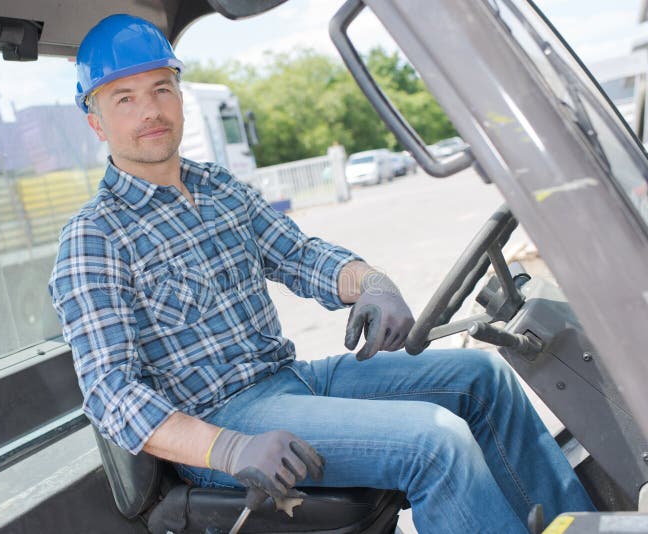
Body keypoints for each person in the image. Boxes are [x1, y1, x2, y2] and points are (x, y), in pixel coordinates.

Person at [49, 14, 594, 533]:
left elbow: (303, 256)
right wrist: (230, 448)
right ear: (95, 120)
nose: (151, 110)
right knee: (436, 442)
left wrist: (373, 284)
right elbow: (112, 393)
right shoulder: (94, 238)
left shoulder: (219, 189)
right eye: (125, 98)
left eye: (161, 89)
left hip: (296, 379)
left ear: (179, 96)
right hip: (224, 425)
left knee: (483, 379)